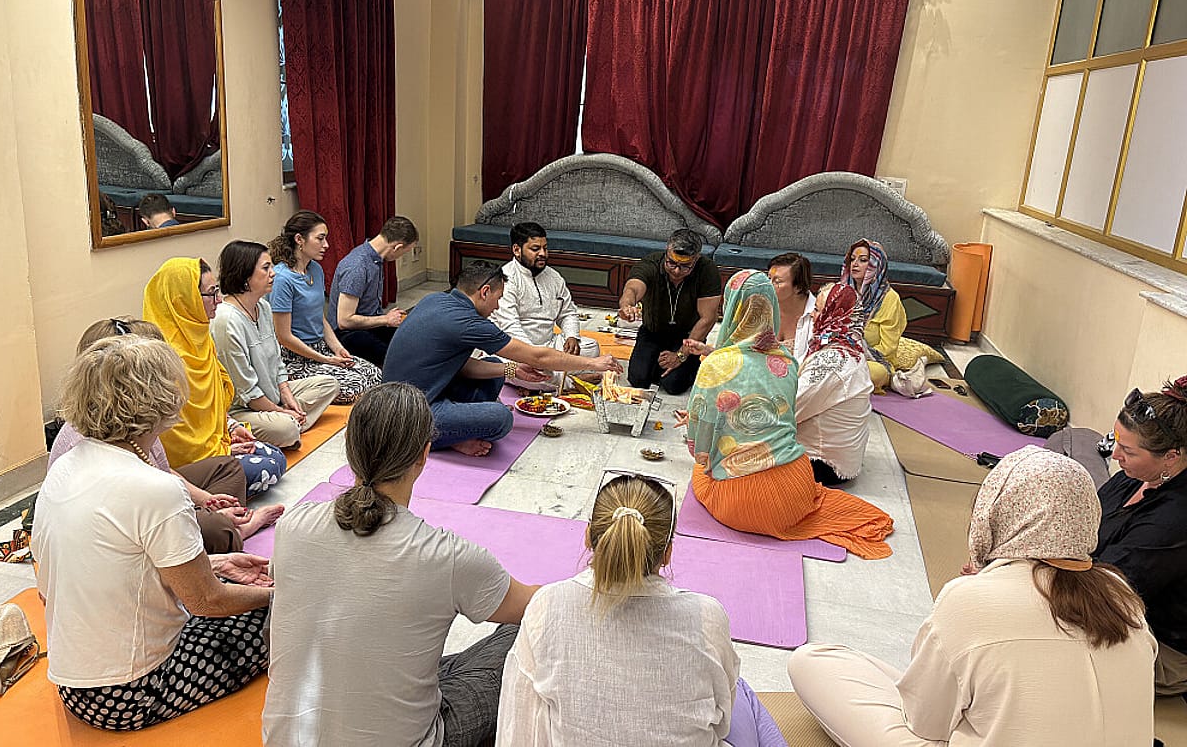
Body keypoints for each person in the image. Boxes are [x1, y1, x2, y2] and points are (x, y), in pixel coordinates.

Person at [789, 446, 1156, 746]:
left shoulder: (970, 599)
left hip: (937, 720)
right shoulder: (1122, 595)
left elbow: (924, 722)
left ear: (996, 511)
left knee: (813, 660)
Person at [263, 382, 538, 746]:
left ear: (348, 446)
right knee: (523, 634)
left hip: (284, 739)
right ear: (424, 454)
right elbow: (545, 607)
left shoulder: (293, 525)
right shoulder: (448, 557)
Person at [32, 335, 274, 731]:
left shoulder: (65, 466)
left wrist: (216, 563)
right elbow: (206, 601)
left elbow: (107, 568)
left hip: (73, 687)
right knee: (275, 613)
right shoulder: (156, 489)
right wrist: (279, 595)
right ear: (160, 399)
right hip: (132, 692)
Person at [496, 471, 786, 747]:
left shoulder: (546, 605)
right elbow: (722, 720)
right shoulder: (707, 617)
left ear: (588, 536)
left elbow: (519, 728)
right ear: (667, 553)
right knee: (740, 689)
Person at [683, 270, 893, 559]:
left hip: (747, 499)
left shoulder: (715, 364)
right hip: (798, 487)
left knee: (701, 473)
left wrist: (705, 424)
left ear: (731, 307)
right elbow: (780, 416)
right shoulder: (786, 359)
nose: (813, 315)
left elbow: (699, 449)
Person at [47, 317, 279, 554]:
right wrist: (199, 513)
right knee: (216, 528)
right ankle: (232, 531)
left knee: (231, 468)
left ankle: (225, 527)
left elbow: (161, 468)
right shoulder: (99, 441)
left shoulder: (133, 421)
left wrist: (206, 500)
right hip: (129, 527)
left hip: (149, 506)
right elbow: (142, 506)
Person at [381, 262, 621, 457]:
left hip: (408, 398)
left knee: (498, 366)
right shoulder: (469, 323)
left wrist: (513, 370)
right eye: (498, 298)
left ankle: (455, 429)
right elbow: (538, 356)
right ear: (485, 292)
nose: (497, 307)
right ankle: (439, 439)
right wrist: (595, 363)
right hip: (408, 416)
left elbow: (461, 366)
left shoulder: (434, 299)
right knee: (501, 419)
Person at [144, 257, 288, 497]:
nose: (219, 300)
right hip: (183, 464)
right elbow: (174, 437)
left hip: (215, 444)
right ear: (183, 299)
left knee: (276, 457)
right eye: (211, 294)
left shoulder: (200, 339)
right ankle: (202, 493)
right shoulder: (162, 359)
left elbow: (212, 410)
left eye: (217, 291)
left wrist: (231, 428)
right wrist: (222, 452)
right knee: (268, 467)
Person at [1093, 376, 1187, 696]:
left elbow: (1104, 594)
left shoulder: (1174, 520)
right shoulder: (1136, 475)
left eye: (1128, 450)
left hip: (1162, 644)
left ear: (1170, 456)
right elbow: (1083, 526)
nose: (1114, 454)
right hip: (1104, 596)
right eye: (1116, 440)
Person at [211, 240, 340, 448]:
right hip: (243, 409)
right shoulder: (226, 321)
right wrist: (280, 411)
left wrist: (288, 397)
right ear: (244, 274)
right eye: (266, 268)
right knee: (286, 428)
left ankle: (291, 421)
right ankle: (289, 425)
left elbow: (277, 362)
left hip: (272, 395)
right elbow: (246, 391)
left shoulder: (262, 306)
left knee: (329, 385)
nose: (273, 273)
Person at [268, 210, 381, 403]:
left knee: (375, 374)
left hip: (321, 348)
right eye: (320, 239)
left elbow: (319, 317)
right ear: (299, 239)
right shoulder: (282, 279)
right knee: (356, 387)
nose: (326, 245)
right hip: (295, 357)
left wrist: (338, 349)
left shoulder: (315, 269)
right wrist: (326, 360)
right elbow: (284, 337)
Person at [490, 222, 600, 390]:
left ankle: (554, 379)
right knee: (517, 369)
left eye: (545, 248)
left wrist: (571, 337)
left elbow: (568, 312)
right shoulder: (506, 280)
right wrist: (537, 357)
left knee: (591, 347)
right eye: (535, 249)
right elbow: (511, 328)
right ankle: (570, 383)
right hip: (516, 349)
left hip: (548, 344)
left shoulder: (554, 277)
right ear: (517, 250)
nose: (543, 254)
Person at [618, 229, 721, 395]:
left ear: (696, 258)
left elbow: (708, 318)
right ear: (667, 252)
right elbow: (632, 288)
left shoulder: (707, 271)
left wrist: (680, 355)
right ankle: (658, 364)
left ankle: (687, 366)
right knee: (638, 379)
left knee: (674, 385)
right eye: (671, 263)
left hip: (688, 336)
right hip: (653, 331)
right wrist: (627, 305)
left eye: (685, 266)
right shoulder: (651, 264)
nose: (677, 271)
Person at [794, 284, 874, 485]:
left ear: (834, 315)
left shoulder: (832, 361)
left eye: (818, 310)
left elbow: (790, 408)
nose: (812, 315)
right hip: (844, 458)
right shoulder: (850, 345)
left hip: (824, 463)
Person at [327, 215, 420, 367]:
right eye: (403, 252)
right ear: (397, 247)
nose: (400, 257)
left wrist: (388, 319)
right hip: (346, 334)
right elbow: (344, 321)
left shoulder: (375, 260)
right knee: (397, 359)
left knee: (412, 339)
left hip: (368, 325)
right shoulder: (357, 267)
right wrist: (386, 320)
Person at [841, 239, 906, 390]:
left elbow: (888, 348)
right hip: (841, 352)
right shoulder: (842, 292)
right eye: (852, 259)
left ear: (876, 265)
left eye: (863, 260)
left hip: (873, 359)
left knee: (874, 373)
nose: (855, 264)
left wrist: (857, 355)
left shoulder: (890, 299)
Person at [767, 253, 816, 356]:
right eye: (768, 278)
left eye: (777, 281)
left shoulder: (819, 316)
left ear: (798, 287)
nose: (768, 285)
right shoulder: (762, 307)